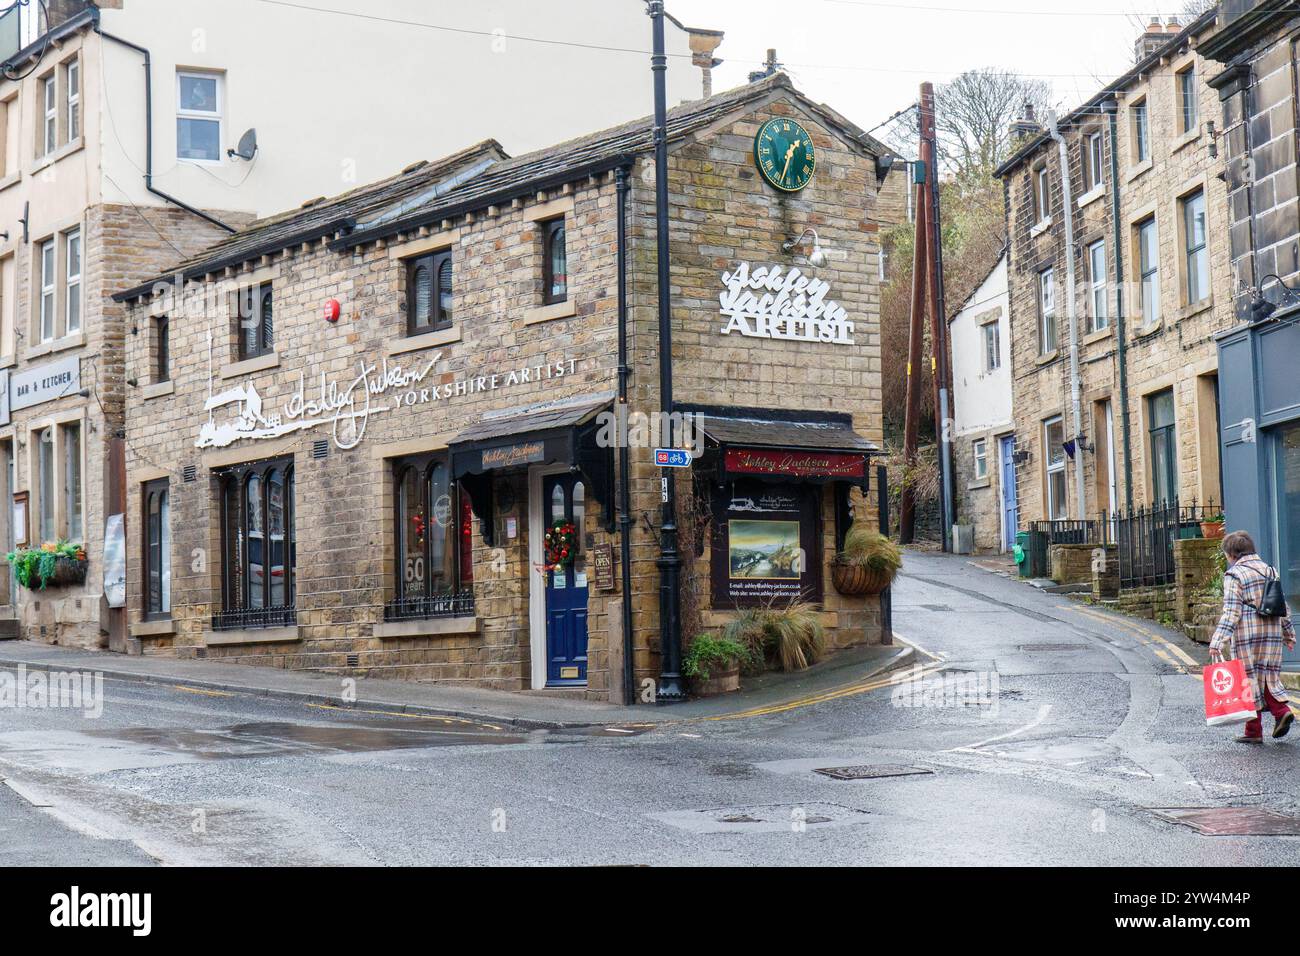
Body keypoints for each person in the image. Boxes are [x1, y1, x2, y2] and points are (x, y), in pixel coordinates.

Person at [1209, 530, 1296, 743]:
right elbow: (1281, 605)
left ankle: (1279, 712)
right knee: (1268, 675)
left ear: (1232, 554)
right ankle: (1254, 730)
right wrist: (1288, 633)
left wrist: (1218, 641)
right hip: (1272, 631)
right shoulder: (1270, 571)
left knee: (1248, 679)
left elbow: (1232, 612)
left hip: (1247, 632)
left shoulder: (1234, 575)